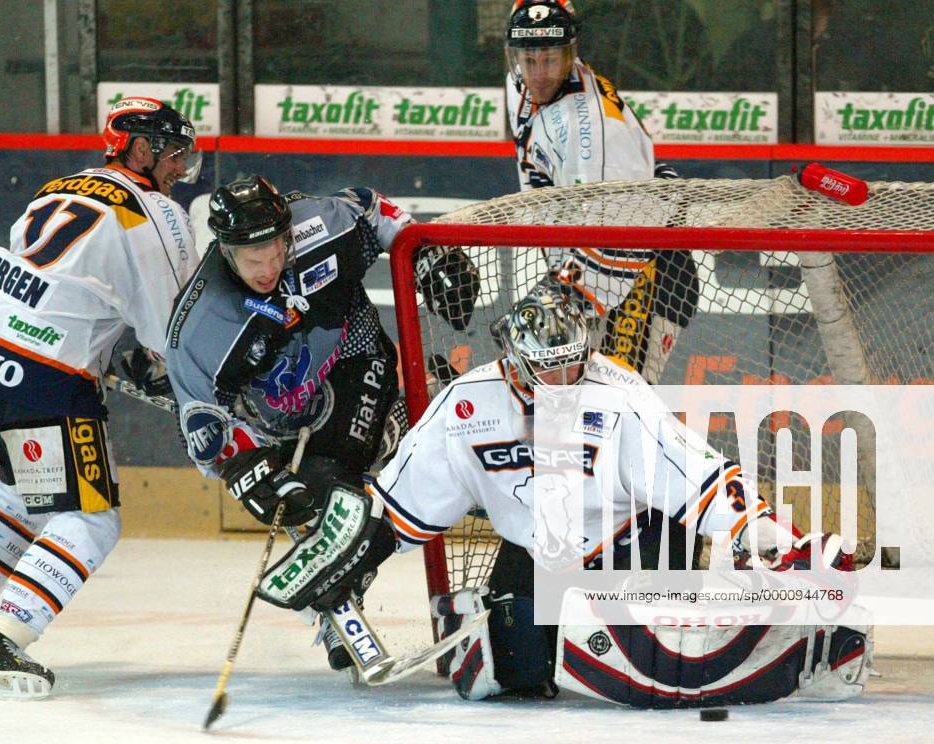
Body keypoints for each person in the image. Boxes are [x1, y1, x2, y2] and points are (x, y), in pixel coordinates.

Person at [250, 287, 871, 707]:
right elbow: (400, 510)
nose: (562, 381)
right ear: (515, 362)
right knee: (509, 667)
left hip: (634, 537)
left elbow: (704, 481)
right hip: (540, 552)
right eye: (546, 369)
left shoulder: (617, 394)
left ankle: (821, 643)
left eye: (572, 365)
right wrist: (349, 563)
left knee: (649, 672)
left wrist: (777, 541)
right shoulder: (467, 406)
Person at [0, 97, 201, 700]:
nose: (182, 167)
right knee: (90, 517)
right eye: (174, 152)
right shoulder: (153, 210)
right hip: (43, 375)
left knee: (22, 491)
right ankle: (3, 641)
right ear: (139, 149)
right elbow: (170, 331)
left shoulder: (62, 186)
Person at [163, 174, 420, 670]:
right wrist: (249, 472)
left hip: (353, 355)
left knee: (340, 480)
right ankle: (333, 597)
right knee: (316, 493)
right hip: (274, 414)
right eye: (252, 259)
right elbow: (208, 438)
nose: (269, 267)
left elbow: (370, 206)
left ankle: (336, 589)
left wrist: (423, 250)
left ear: (286, 232)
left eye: (276, 250)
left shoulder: (320, 223)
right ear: (224, 250)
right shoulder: (198, 332)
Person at [504, 0, 699, 384]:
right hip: (590, 264)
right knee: (570, 393)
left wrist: (553, 298)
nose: (538, 74)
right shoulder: (524, 81)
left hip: (644, 273)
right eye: (530, 60)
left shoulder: (592, 132)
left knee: (615, 404)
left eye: (549, 60)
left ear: (570, 54)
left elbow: (622, 243)